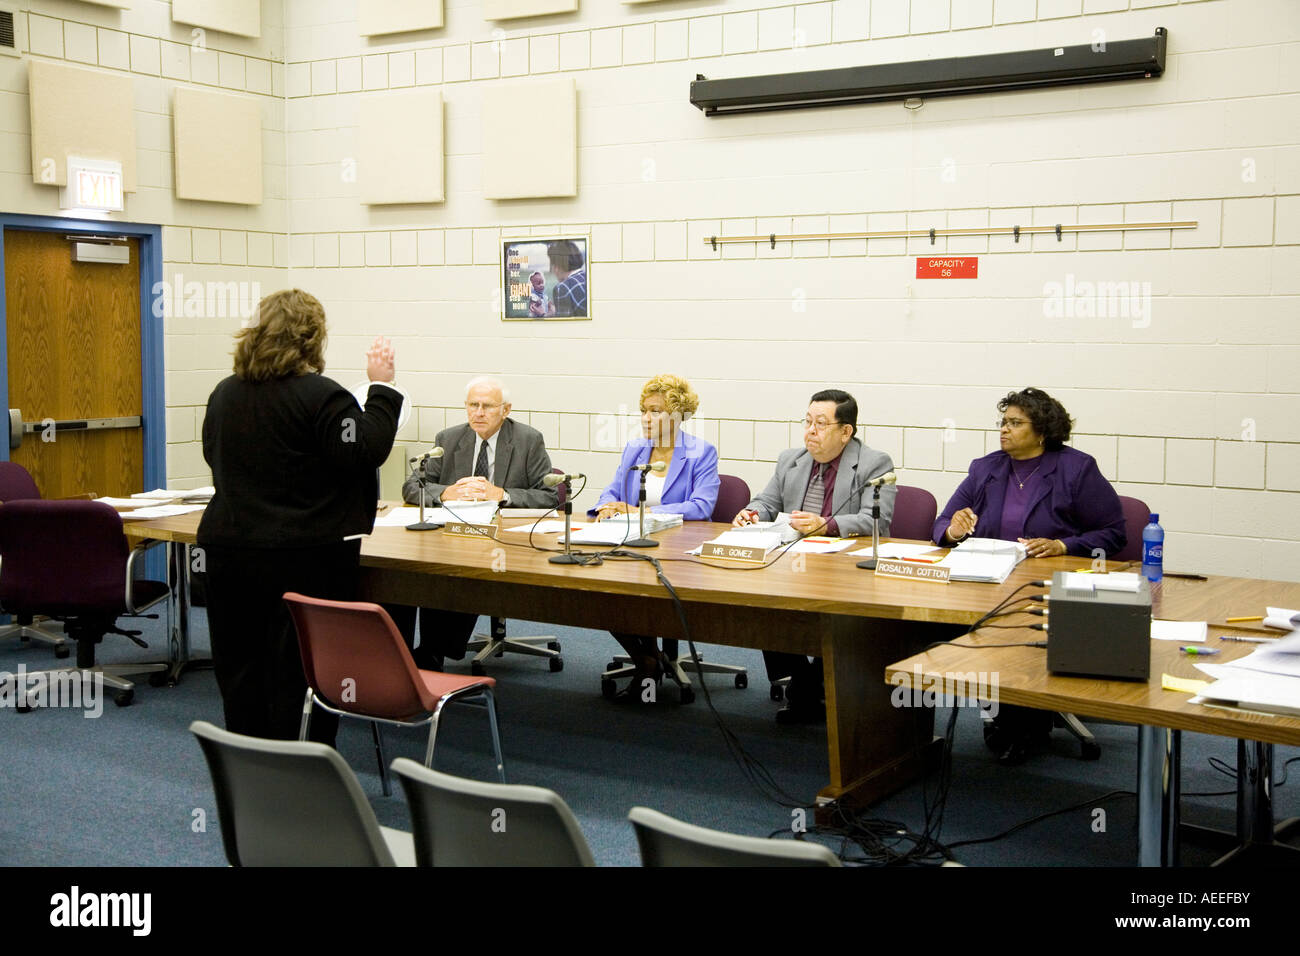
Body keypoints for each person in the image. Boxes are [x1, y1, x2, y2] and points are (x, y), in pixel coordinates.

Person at [198, 289, 401, 742]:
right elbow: (364, 450)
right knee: (306, 671)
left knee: (241, 669)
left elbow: (214, 455)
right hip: (305, 557)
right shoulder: (322, 396)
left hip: (228, 551)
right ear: (313, 339)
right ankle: (304, 776)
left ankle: (250, 767)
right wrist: (381, 388)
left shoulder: (224, 394)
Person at [933, 386, 1126, 764]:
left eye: (1015, 423)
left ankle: (1023, 720)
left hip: (1048, 586)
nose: (1004, 430)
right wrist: (955, 530)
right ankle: (1011, 716)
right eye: (1003, 422)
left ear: (1041, 431)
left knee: (1021, 630)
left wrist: (1063, 546)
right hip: (991, 580)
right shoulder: (985, 468)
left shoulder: (1076, 468)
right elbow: (942, 523)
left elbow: (1115, 532)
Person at [734, 389, 896, 724]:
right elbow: (767, 502)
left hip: (845, 568)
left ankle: (812, 687)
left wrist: (827, 524)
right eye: (807, 421)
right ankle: (808, 684)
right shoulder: (790, 459)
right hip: (793, 562)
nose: (810, 430)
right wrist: (752, 513)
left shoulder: (875, 463)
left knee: (834, 613)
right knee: (762, 600)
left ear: (845, 431)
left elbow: (875, 520)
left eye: (821, 424)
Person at [391, 376, 557, 669]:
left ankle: (434, 650)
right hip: (455, 534)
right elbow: (412, 486)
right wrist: (446, 492)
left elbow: (550, 496)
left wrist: (502, 494)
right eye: (472, 405)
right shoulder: (448, 439)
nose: (478, 413)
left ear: (505, 410)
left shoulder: (528, 440)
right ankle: (413, 656)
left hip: (506, 542)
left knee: (462, 572)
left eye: (487, 406)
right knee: (423, 568)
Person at [592, 375, 719, 702]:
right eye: (644, 411)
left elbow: (702, 507)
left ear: (677, 415)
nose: (647, 418)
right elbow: (614, 489)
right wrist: (605, 506)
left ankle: (647, 663)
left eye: (656, 411)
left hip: (679, 550)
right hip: (631, 543)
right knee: (599, 589)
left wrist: (641, 512)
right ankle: (648, 657)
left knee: (642, 591)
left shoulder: (700, 452)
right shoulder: (636, 448)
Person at [546, 240, 586, 318]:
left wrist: (552, 315)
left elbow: (563, 325)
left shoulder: (562, 288)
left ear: (556, 266)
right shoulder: (586, 277)